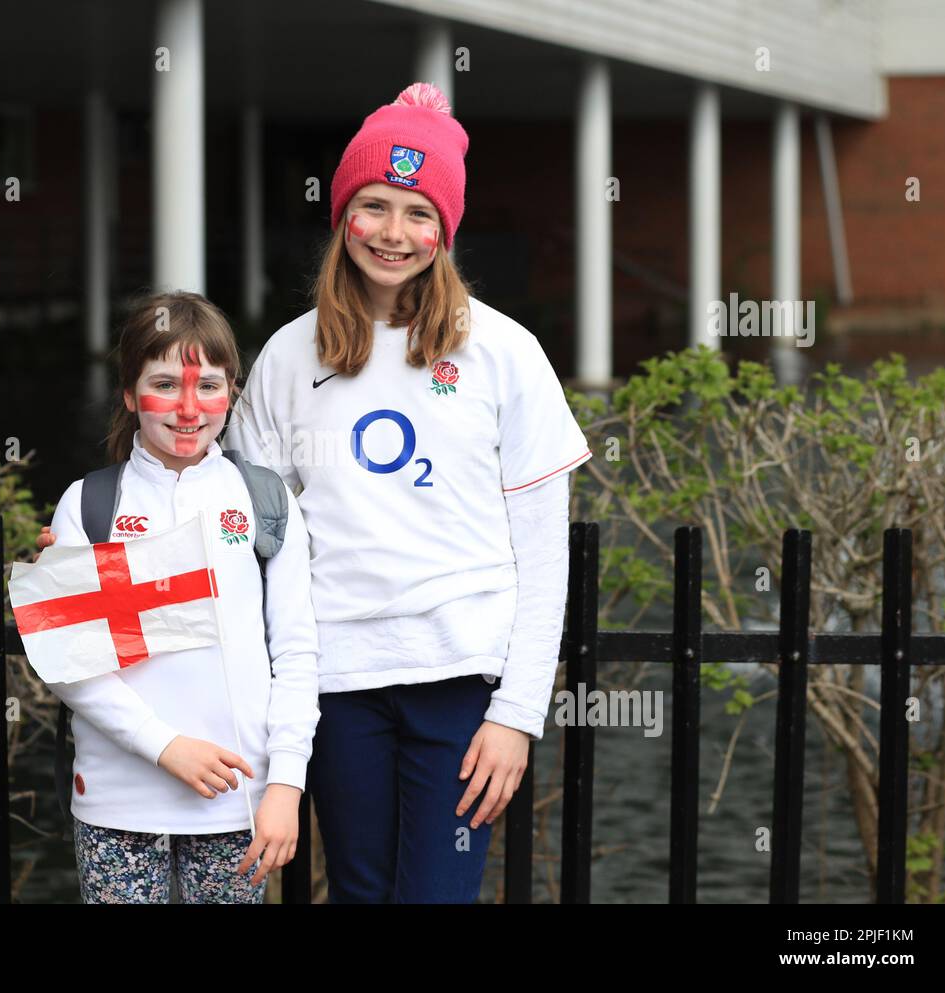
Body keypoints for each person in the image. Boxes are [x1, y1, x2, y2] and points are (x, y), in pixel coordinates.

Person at [220, 82, 593, 902]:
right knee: (358, 892)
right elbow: (242, 529)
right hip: (335, 685)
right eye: (375, 205)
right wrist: (108, 549)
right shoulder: (287, 359)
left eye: (420, 212)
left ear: (446, 229)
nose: (394, 233)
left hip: (461, 683)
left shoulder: (504, 352)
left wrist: (517, 713)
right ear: (343, 213)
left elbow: (542, 552)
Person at [37, 291, 320, 904]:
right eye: (165, 384)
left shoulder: (263, 501)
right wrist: (165, 746)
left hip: (237, 797)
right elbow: (70, 659)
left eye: (210, 386)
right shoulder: (90, 504)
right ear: (130, 395)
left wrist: (287, 786)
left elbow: (297, 654)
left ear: (232, 392)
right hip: (117, 798)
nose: (190, 409)